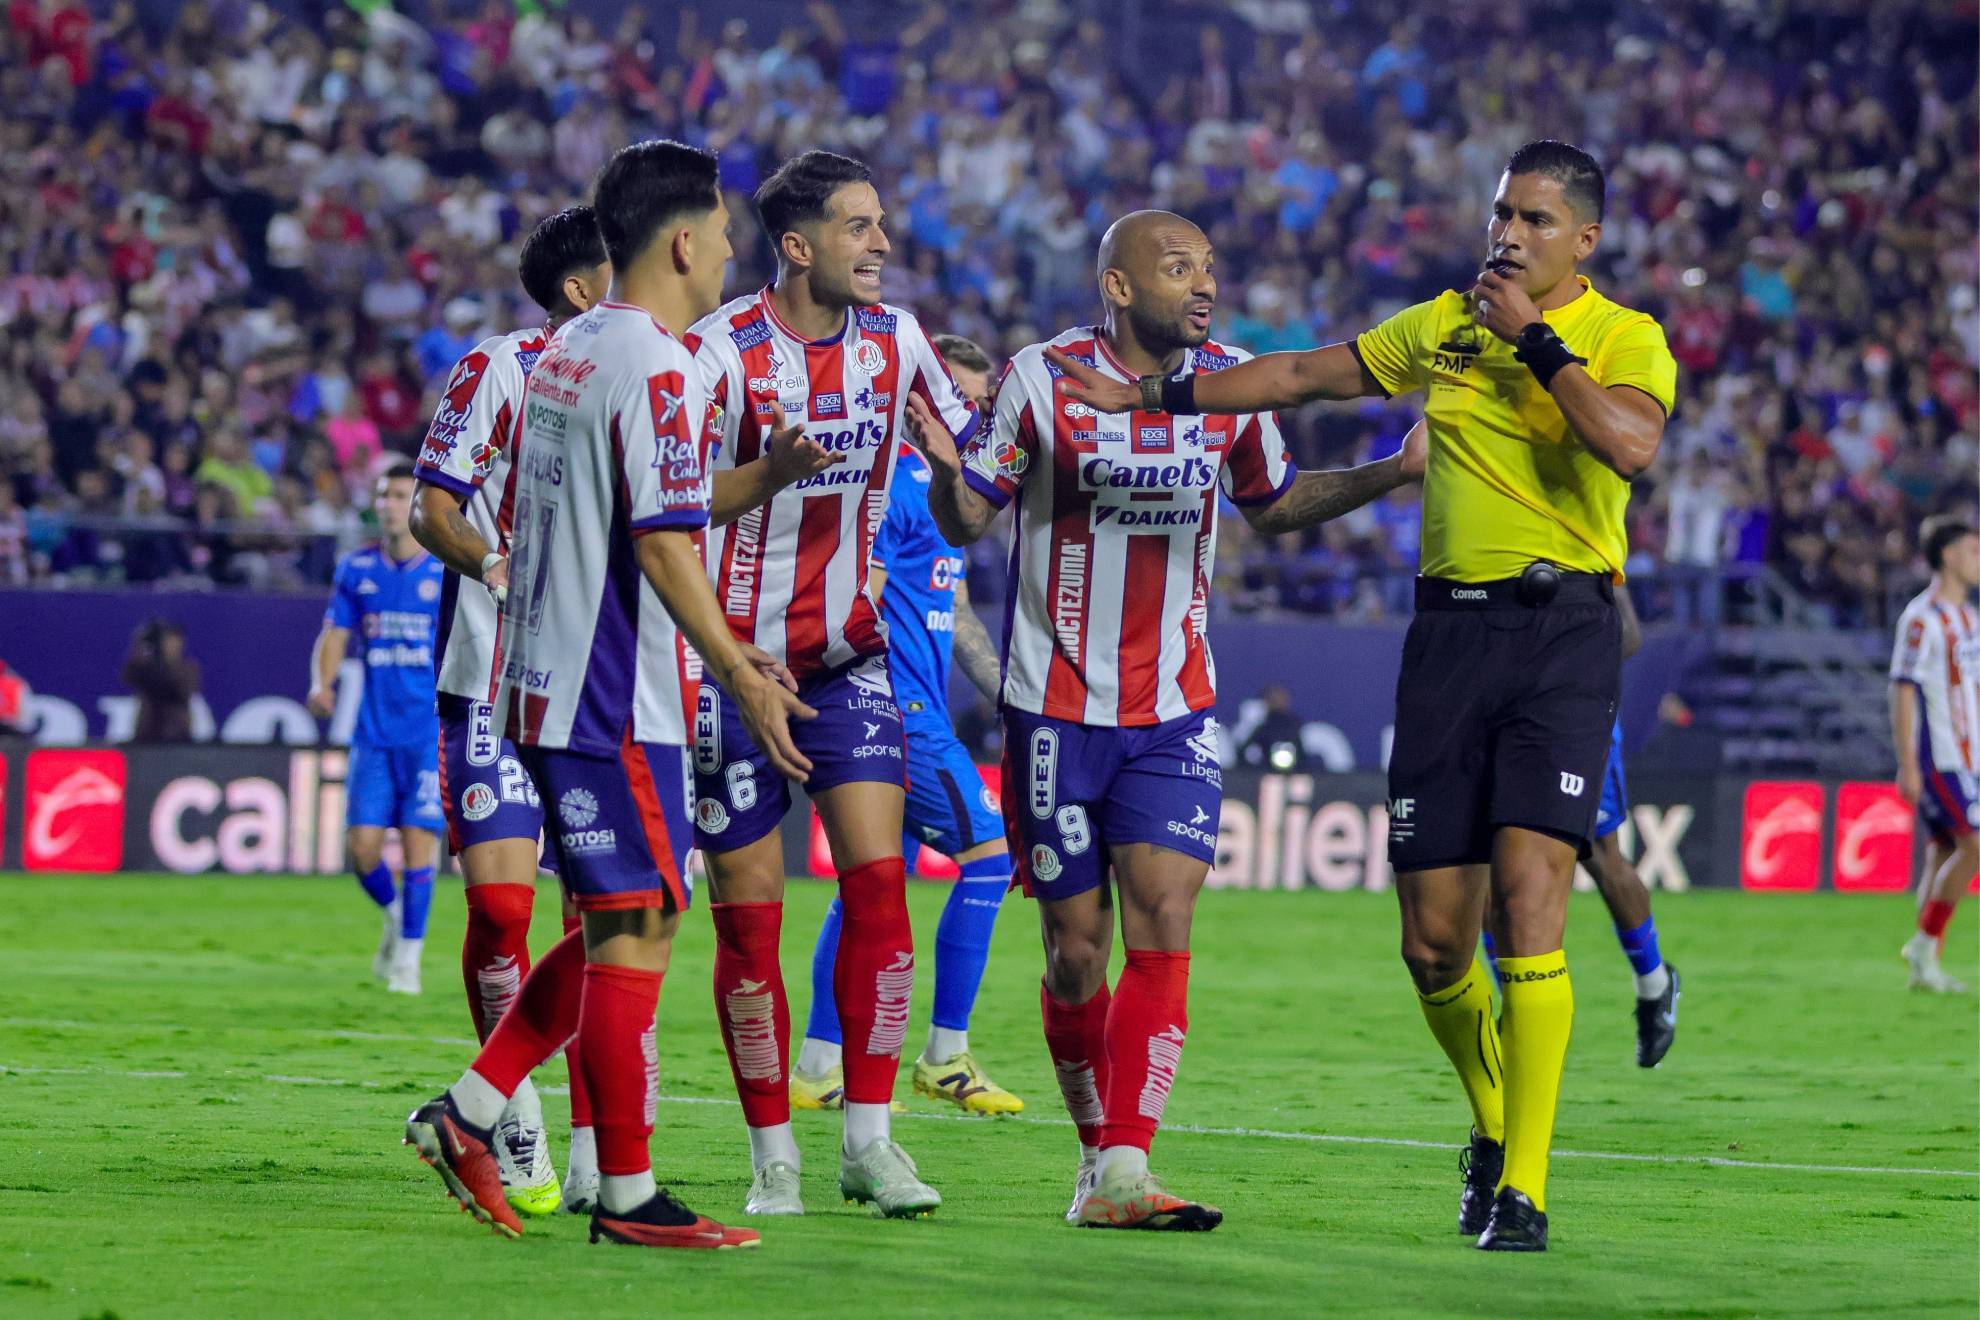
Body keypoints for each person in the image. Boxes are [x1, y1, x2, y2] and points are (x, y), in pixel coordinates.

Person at [1046, 142, 1675, 1252]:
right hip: (1446, 638)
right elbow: (1296, 376)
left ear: (1583, 240)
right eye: (1501, 213)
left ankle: (1523, 1192)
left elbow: (1627, 444)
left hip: (1564, 630)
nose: (1508, 234)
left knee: (1530, 898)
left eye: (1534, 218)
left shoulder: (1628, 338)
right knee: (1434, 944)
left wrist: (1536, 338)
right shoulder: (1441, 324)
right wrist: (1152, 394)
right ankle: (1493, 1126)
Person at [917, 209, 1423, 1230]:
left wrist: (1392, 473)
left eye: (1209, 264)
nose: (1203, 284)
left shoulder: (1228, 383)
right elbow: (971, 515)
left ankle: (1125, 1169)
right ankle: (1096, 1158)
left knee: (1166, 921)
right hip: (1053, 714)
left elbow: (1273, 505)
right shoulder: (1038, 379)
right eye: (1178, 266)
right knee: (1075, 954)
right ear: (1116, 284)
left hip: (1176, 712)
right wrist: (943, 466)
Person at [403, 138, 809, 1251]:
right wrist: (740, 670)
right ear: (682, 241)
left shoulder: (574, 351)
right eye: (725, 233)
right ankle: (622, 1190)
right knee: (637, 923)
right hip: (612, 694)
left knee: (634, 915)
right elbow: (667, 546)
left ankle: (474, 1112)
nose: (731, 250)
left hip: (551, 682)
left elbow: (632, 508)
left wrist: (766, 481)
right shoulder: (662, 366)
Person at [686, 150, 979, 1220]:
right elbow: (665, 504)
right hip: (726, 665)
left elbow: (964, 496)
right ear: (799, 246)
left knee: (878, 888)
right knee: (748, 921)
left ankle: (870, 1142)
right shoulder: (716, 353)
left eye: (882, 224)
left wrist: (957, 473)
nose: (884, 246)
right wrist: (770, 474)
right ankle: (774, 1160)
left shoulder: (898, 343)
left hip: (851, 659)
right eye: (861, 227)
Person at [406, 206, 612, 1219]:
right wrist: (490, 562)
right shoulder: (503, 365)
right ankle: (505, 1108)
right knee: (501, 910)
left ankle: (601, 1151)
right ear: (581, 288)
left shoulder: (667, 370)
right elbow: (427, 505)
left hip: (607, 685)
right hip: (491, 674)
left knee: (611, 919)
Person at [788, 333, 1023, 1119]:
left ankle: (817, 1066)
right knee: (990, 859)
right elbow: (861, 585)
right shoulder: (895, 477)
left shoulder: (950, 488)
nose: (966, 411)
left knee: (865, 880)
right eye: (953, 394)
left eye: (976, 402)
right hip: (898, 709)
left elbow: (952, 610)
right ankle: (946, 1056)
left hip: (908, 703)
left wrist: (1009, 692)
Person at [1481, 589, 1680, 1067]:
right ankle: (1516, 1006)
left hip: (1577, 719)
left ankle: (1655, 983)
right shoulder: (1495, 548)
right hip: (1505, 716)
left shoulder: (1586, 545)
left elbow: (1628, 637)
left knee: (1599, 856)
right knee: (1495, 866)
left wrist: (1558, 665)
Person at [307, 462, 445, 996]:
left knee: (418, 845)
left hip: (427, 733)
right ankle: (392, 920)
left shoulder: (443, 568)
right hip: (372, 733)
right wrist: (323, 685)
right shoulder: (357, 568)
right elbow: (335, 634)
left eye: (398, 494)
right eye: (382, 494)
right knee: (361, 850)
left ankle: (409, 957)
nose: (388, 504)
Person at [1891, 516, 1980, 993]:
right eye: (1973, 550)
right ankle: (1924, 948)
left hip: (1971, 757)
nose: (1979, 559)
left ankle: (1924, 964)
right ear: (1948, 556)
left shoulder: (1969, 619)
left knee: (1944, 851)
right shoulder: (1922, 618)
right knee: (1974, 846)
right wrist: (1907, 762)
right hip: (1939, 755)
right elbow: (1902, 689)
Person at [122, 617, 202, 743]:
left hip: (178, 737)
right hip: (147, 736)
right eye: (166, 640)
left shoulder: (188, 669)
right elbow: (128, 677)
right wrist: (139, 644)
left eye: (174, 641)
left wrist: (165, 664)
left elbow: (177, 690)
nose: (170, 645)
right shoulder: (146, 667)